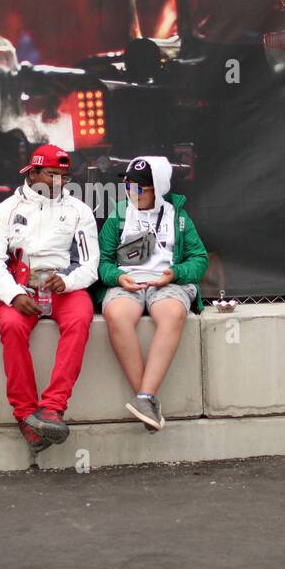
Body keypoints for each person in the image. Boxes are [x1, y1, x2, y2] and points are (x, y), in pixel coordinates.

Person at [0, 144, 99, 453]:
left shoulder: (79, 210)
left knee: (80, 318)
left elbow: (90, 264)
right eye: (52, 175)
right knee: (11, 326)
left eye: (64, 176)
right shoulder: (7, 209)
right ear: (33, 173)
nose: (59, 182)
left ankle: (52, 409)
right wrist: (14, 294)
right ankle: (25, 416)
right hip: (23, 286)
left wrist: (69, 281)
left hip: (62, 285)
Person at [95, 156, 208, 431]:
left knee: (171, 314)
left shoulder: (177, 216)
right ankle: (146, 400)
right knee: (117, 315)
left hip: (167, 283)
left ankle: (144, 398)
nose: (131, 193)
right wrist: (118, 277)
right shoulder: (119, 214)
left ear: (157, 188)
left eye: (139, 188)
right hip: (127, 283)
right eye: (128, 186)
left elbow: (199, 258)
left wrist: (176, 274)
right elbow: (101, 262)